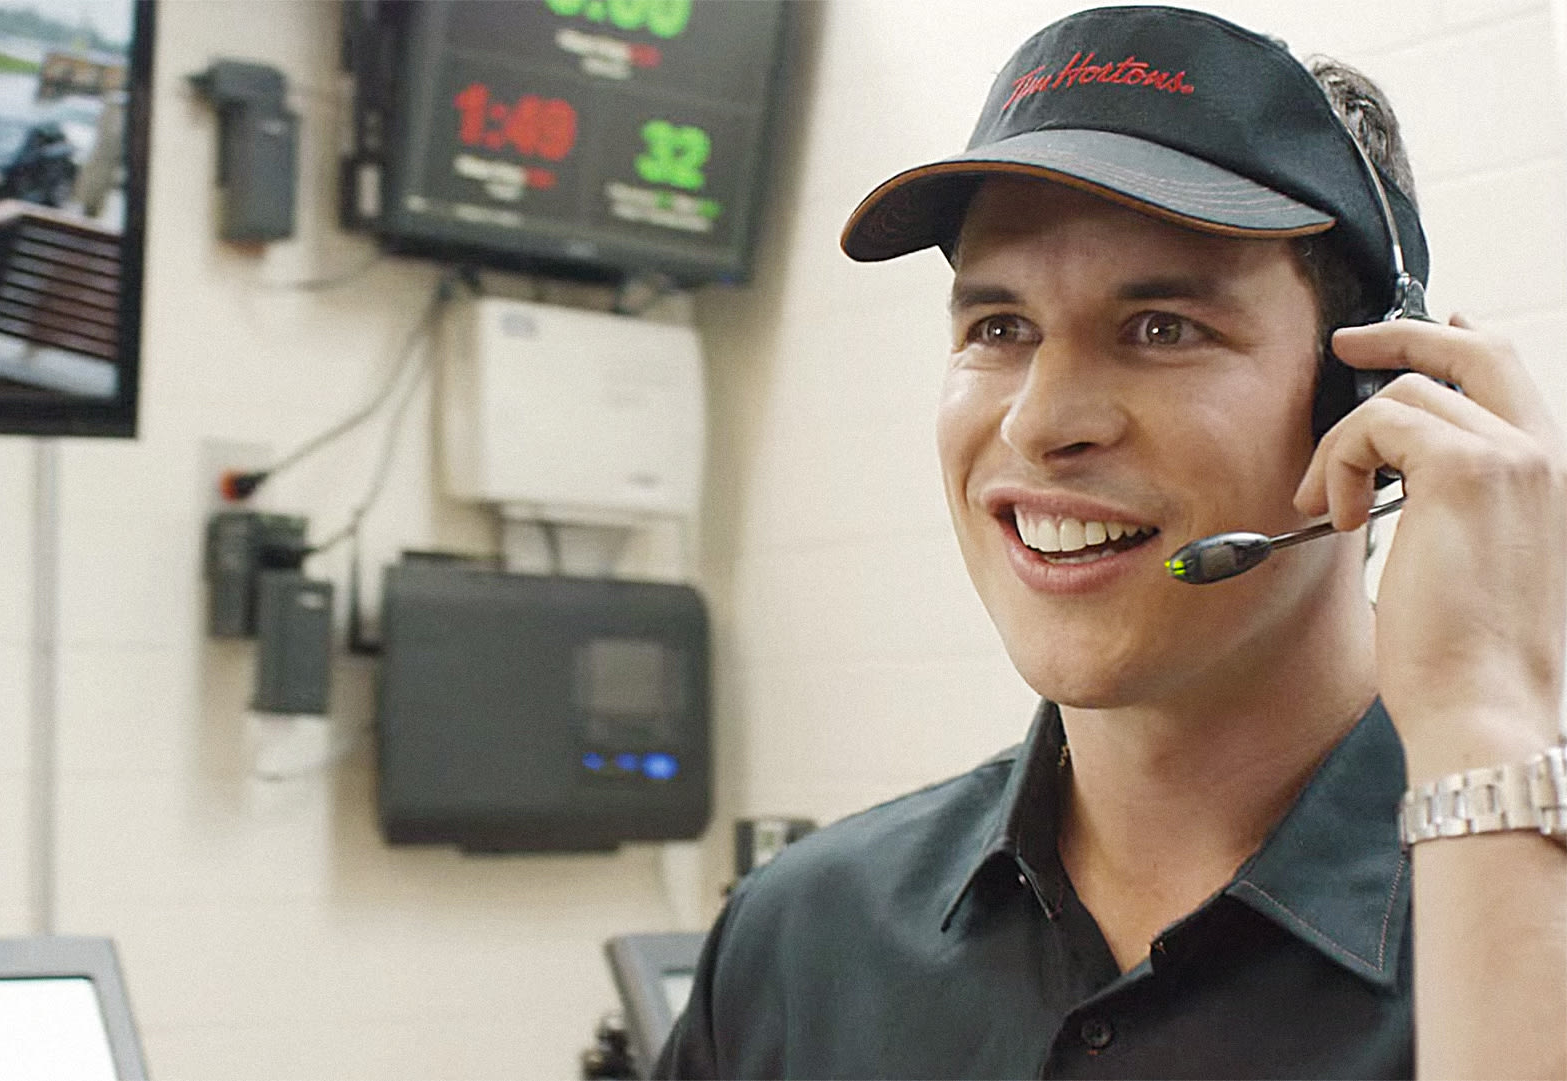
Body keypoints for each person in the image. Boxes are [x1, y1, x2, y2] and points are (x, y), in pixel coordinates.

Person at [653, 6, 1566, 1079]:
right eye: (999, 328)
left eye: (1162, 328)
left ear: (1374, 396)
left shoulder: (1520, 895)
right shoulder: (799, 941)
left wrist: (1486, 728)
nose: (1041, 422)